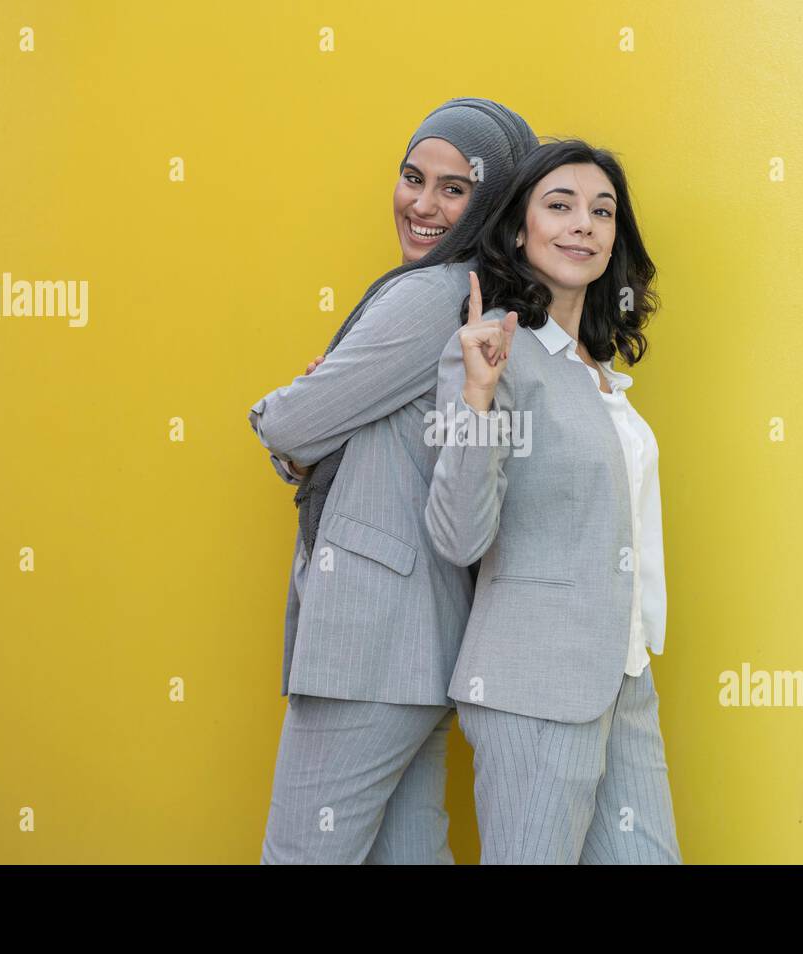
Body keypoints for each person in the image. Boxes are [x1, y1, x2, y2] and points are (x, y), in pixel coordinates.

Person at [246, 98, 538, 863]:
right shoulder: (479, 299)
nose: (422, 204)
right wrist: (318, 423)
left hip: (366, 644)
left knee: (301, 856)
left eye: (454, 188)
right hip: (421, 646)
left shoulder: (428, 295)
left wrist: (298, 428)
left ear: (493, 203)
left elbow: (289, 424)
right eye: (413, 177)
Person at [425, 139, 681, 863]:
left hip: (623, 678)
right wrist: (477, 396)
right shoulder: (489, 354)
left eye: (602, 211)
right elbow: (458, 535)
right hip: (534, 684)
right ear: (518, 230)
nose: (584, 225)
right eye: (559, 205)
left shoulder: (594, 371)